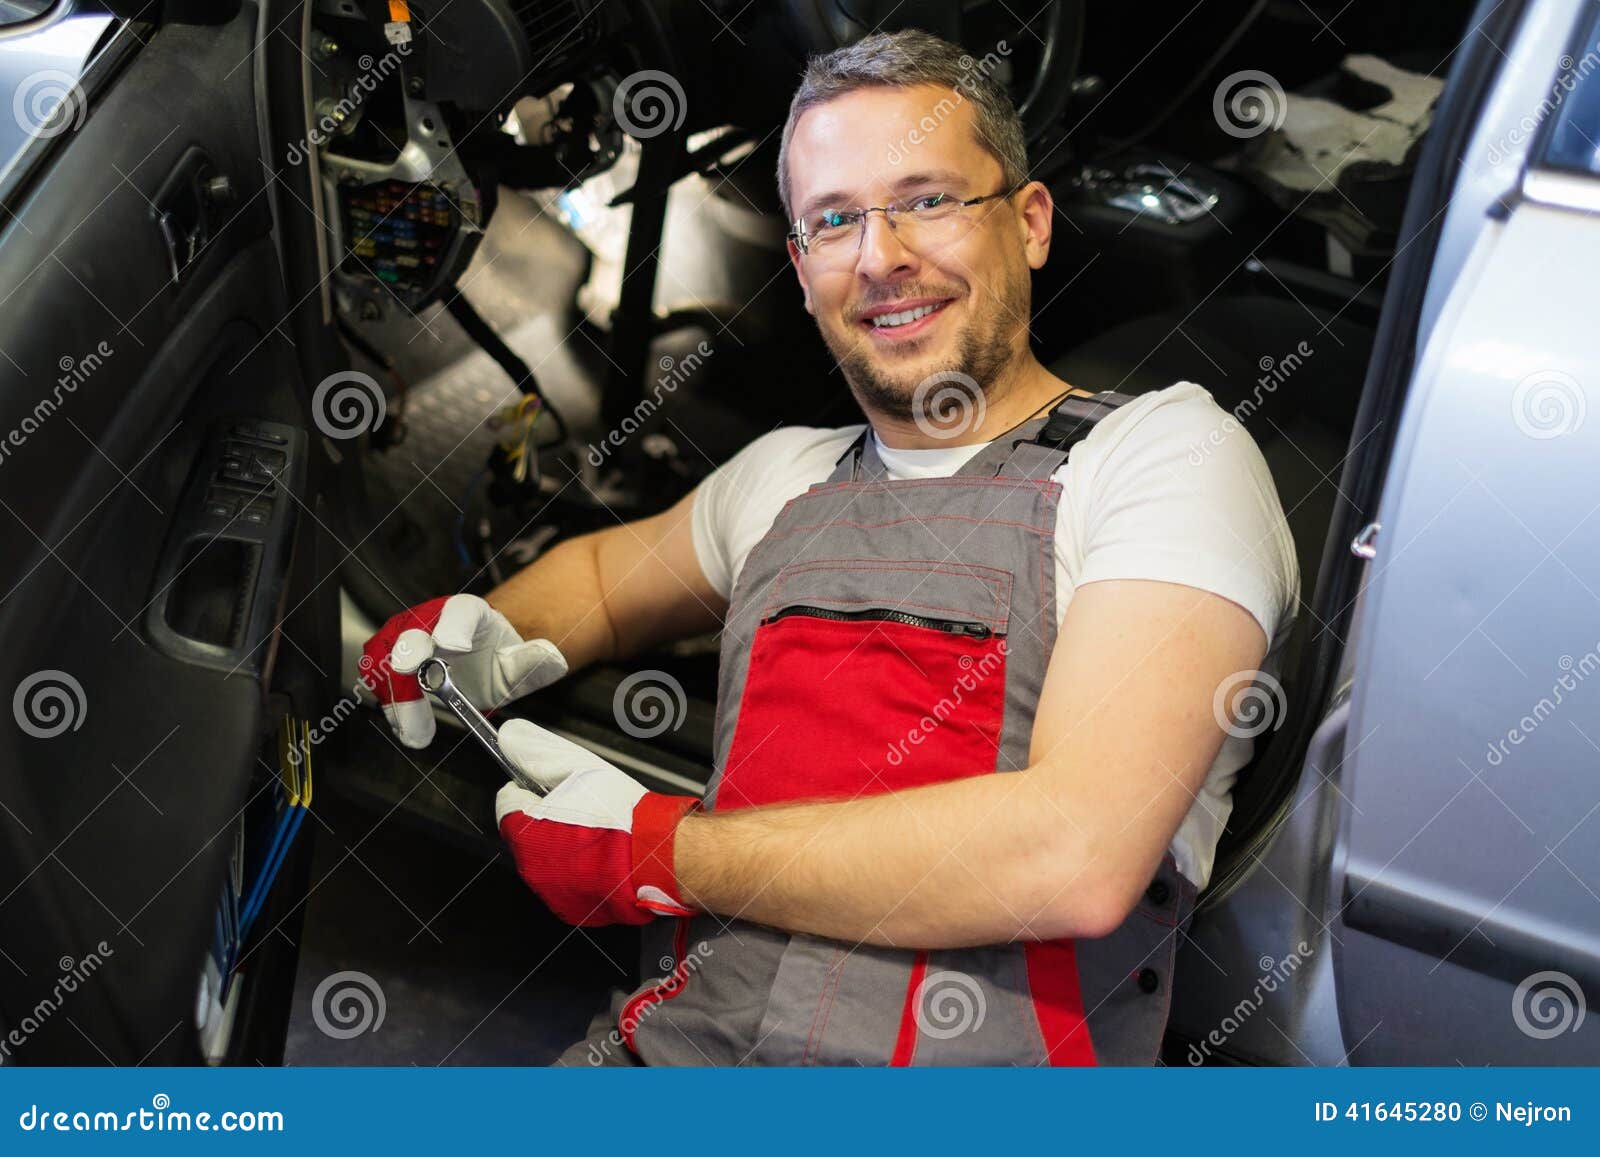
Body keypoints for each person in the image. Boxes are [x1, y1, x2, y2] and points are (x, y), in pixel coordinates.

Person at [362, 28, 1299, 1066]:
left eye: (927, 199)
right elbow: (601, 579)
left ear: (1030, 222)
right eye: (835, 219)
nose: (880, 256)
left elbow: (1073, 851)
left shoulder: (1161, 456)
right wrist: (484, 634)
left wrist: (668, 853)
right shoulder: (785, 474)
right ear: (803, 271)